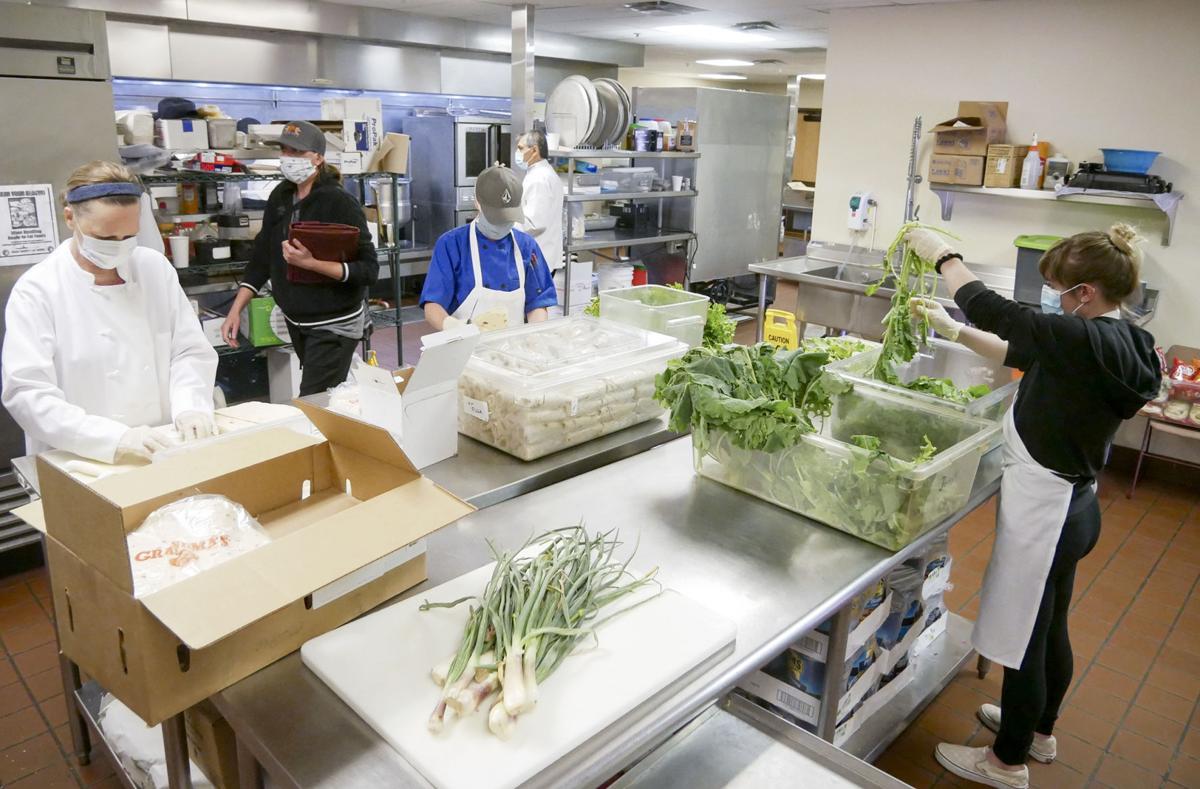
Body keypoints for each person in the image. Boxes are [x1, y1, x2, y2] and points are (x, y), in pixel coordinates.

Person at [904, 224, 1159, 789]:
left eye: (1059, 289)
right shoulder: (1121, 340)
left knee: (1023, 635)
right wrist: (954, 330)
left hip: (1046, 513)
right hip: (1077, 506)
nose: (1054, 298)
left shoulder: (1082, 337)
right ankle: (1040, 731)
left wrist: (946, 257)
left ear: (1086, 292)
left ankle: (1006, 761)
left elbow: (1000, 313)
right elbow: (1019, 348)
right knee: (1051, 626)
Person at [1, 161, 218, 464]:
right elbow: (28, 393)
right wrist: (115, 439)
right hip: (80, 459)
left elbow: (189, 351)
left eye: (129, 237)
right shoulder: (39, 289)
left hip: (163, 447)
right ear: (70, 218)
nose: (119, 248)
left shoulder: (154, 269)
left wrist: (191, 405)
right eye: (104, 238)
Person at [220, 121, 378, 396]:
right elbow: (262, 257)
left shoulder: (338, 202)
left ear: (318, 157)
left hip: (335, 325)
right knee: (329, 400)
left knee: (313, 404)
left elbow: (368, 270)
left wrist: (311, 264)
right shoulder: (282, 196)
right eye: (284, 150)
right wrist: (235, 310)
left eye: (297, 152)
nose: (288, 158)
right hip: (298, 322)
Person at [420, 165, 556, 332]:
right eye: (496, 217)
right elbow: (432, 306)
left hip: (512, 350)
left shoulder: (527, 246)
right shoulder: (451, 245)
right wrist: (454, 327)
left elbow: (537, 303)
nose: (501, 224)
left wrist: (535, 336)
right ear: (478, 202)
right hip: (464, 349)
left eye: (507, 218)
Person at [514, 129, 564, 275]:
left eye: (521, 148)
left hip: (539, 258)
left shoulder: (539, 179)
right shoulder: (542, 173)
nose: (517, 153)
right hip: (543, 255)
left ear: (534, 150)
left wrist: (506, 224)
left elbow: (534, 223)